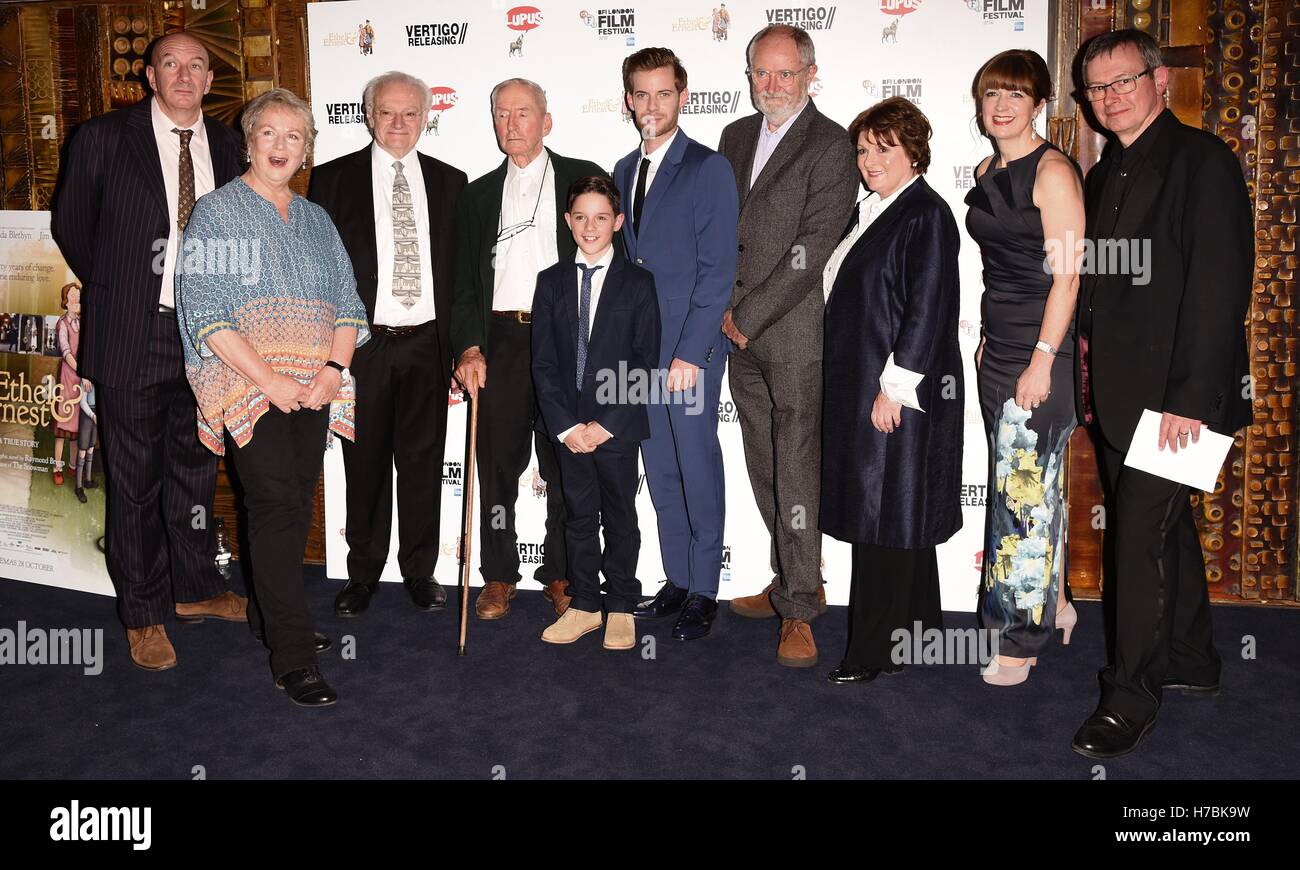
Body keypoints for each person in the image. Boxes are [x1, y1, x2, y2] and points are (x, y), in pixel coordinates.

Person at [1070, 30, 1252, 758]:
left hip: (1183, 401)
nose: (1111, 98)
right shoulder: (1104, 170)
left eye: (1124, 81)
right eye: (1098, 88)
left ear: (1158, 80)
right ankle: (1193, 659)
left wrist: (1186, 400)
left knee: (1138, 538)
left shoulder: (1202, 162)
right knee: (1165, 532)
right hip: (1120, 396)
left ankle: (1129, 699)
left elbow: (1217, 291)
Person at [51, 31, 248, 671]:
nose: (184, 74)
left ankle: (193, 591)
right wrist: (123, 288)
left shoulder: (228, 142)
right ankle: (143, 613)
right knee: (135, 484)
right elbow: (72, 226)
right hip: (135, 334)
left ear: (211, 80)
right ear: (150, 74)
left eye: (197, 64)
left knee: (194, 473)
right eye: (171, 63)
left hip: (210, 336)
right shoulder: (104, 138)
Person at [176, 88, 368, 707]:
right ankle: (290, 656)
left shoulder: (316, 218)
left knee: (286, 508)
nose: (282, 146)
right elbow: (203, 312)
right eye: (270, 133)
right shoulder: (215, 213)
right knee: (278, 508)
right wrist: (270, 380)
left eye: (295, 136)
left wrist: (335, 369)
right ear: (248, 142)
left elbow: (347, 301)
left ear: (307, 148)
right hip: (250, 389)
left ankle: (267, 614)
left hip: (315, 388)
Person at [717, 24, 857, 667]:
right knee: (764, 465)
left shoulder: (832, 146)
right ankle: (790, 578)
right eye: (760, 74)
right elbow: (721, 232)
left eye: (783, 74)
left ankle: (800, 609)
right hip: (734, 334)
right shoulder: (735, 136)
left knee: (796, 470)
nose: (771, 86)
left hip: (793, 334)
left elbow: (813, 246)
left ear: (809, 74)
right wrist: (720, 309)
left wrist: (750, 314)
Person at [310, 71, 468, 619]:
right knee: (365, 463)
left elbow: (462, 276)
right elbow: (319, 272)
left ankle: (420, 572)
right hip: (363, 345)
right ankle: (363, 573)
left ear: (426, 118)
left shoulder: (452, 182)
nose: (398, 124)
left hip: (428, 343)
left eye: (410, 113)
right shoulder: (331, 181)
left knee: (424, 462)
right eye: (387, 113)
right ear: (368, 115)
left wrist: (462, 347)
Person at [451, 78, 606, 621]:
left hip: (567, 338)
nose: (511, 124)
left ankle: (561, 573)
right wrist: (469, 347)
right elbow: (464, 284)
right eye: (501, 114)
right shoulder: (475, 195)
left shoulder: (582, 180)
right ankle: (497, 576)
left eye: (523, 113)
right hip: (500, 341)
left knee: (566, 461)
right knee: (495, 465)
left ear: (547, 120)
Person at [820, 97, 963, 684]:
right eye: (863, 149)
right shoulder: (876, 209)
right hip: (868, 385)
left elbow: (929, 309)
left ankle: (871, 650)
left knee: (881, 517)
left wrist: (895, 389)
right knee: (898, 514)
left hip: (896, 390)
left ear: (914, 153)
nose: (870, 159)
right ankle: (919, 634)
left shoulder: (924, 214)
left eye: (885, 148)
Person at [965, 49, 1085, 686]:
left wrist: (1041, 360)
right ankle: (1054, 602)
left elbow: (1068, 276)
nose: (1001, 107)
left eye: (1014, 95)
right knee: (1027, 490)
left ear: (1038, 104)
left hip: (1042, 353)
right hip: (999, 350)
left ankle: (1020, 640)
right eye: (991, 96)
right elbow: (996, 272)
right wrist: (989, 340)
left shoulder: (1054, 173)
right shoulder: (988, 168)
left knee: (1022, 499)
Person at [616, 47, 739, 641]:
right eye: (641, 94)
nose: (651, 105)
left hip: (689, 352)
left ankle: (706, 588)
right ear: (628, 100)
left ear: (682, 97)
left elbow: (717, 272)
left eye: (663, 93)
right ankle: (678, 578)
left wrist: (691, 353)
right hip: (642, 353)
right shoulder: (622, 170)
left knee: (696, 466)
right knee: (659, 468)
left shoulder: (707, 168)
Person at [532, 176, 661, 650]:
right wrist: (567, 426)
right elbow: (542, 363)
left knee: (620, 515)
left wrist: (606, 425)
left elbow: (646, 360)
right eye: (581, 217)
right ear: (568, 222)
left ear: (618, 223)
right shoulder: (550, 283)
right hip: (568, 429)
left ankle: (622, 603)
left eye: (601, 218)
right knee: (578, 516)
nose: (591, 226)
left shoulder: (639, 282)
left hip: (617, 427)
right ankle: (585, 604)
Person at [52, 282, 83, 487]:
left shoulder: (82, 322)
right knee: (63, 426)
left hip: (81, 378)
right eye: (72, 295)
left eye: (77, 295)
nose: (75, 299)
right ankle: (57, 467)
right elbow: (65, 351)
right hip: (67, 376)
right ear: (66, 300)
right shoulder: (62, 323)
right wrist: (81, 368)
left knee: (76, 428)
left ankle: (73, 465)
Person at [74, 378, 97, 504]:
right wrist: (92, 415)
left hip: (96, 415)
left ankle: (87, 480)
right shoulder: (86, 380)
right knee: (83, 449)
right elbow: (82, 403)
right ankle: (78, 487)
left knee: (91, 447)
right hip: (87, 414)